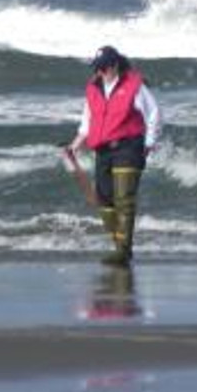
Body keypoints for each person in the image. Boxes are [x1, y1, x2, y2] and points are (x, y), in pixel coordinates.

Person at [68, 46, 162, 266]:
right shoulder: (93, 89)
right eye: (97, 68)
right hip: (103, 150)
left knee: (124, 199)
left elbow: (154, 114)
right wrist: (75, 144)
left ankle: (123, 251)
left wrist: (149, 143)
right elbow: (87, 122)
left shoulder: (134, 86)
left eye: (103, 68)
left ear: (114, 66)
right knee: (104, 200)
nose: (99, 72)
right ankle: (120, 245)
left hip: (128, 147)